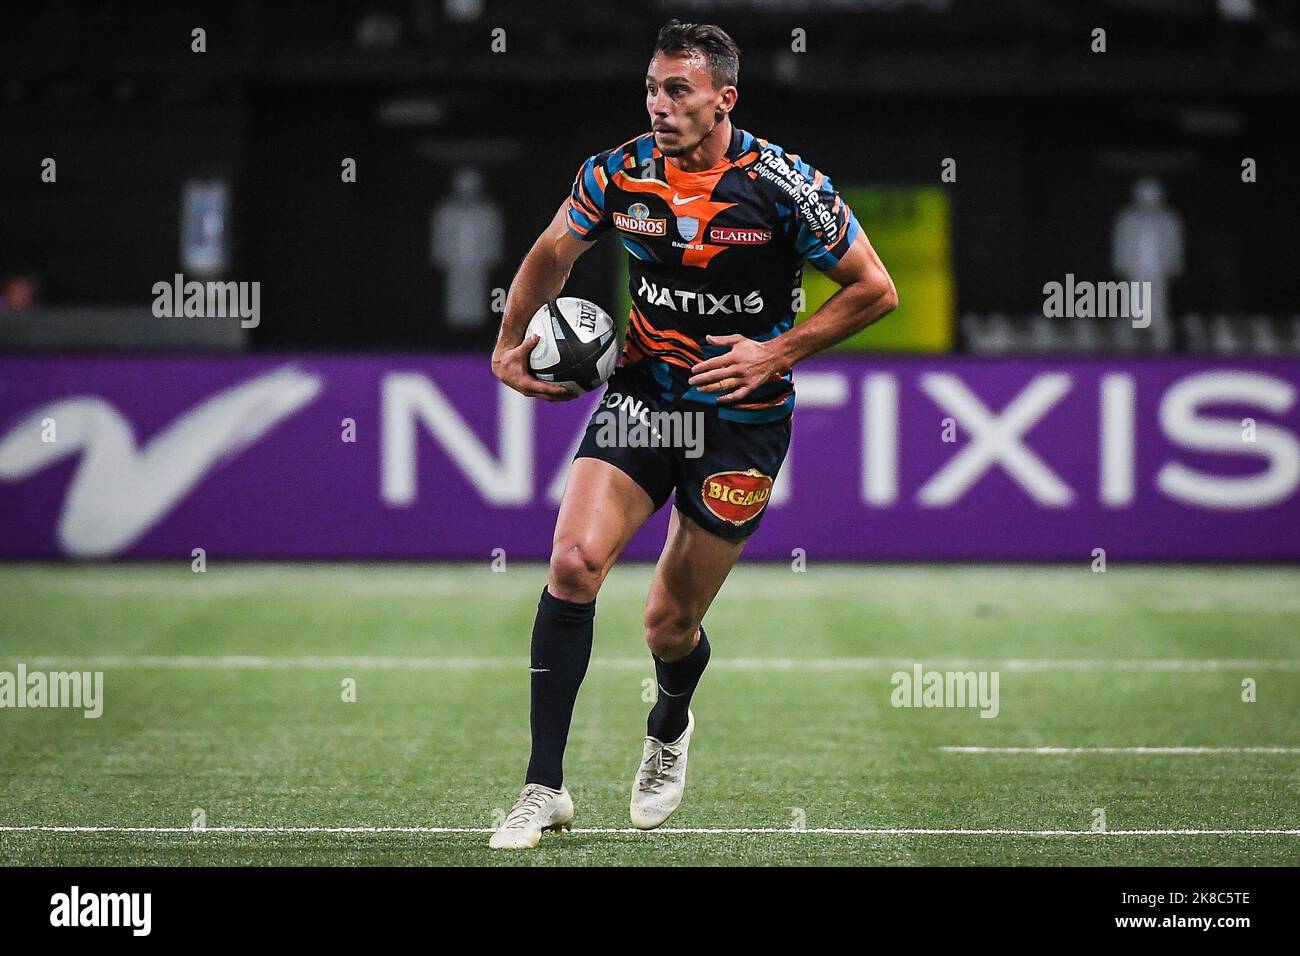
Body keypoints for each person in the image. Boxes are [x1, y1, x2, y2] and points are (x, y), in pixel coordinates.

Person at [487, 19, 898, 849]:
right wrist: (507, 341)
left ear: (723, 100)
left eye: (679, 91)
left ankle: (669, 723)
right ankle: (542, 787)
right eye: (652, 88)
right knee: (572, 564)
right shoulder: (619, 172)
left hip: (741, 421)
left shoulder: (784, 185)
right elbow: (551, 252)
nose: (660, 105)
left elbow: (874, 289)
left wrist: (776, 352)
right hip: (645, 394)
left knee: (667, 626)